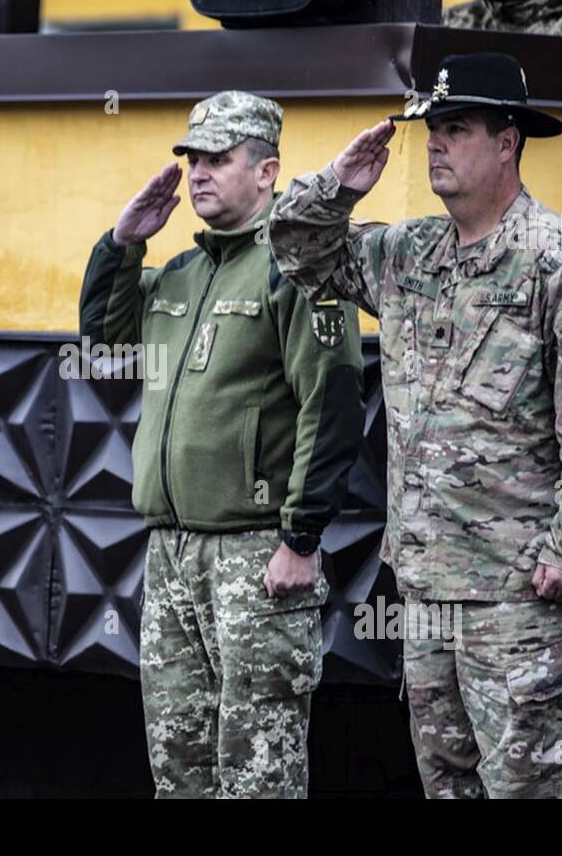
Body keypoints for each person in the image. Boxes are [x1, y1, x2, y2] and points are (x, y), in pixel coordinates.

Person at [268, 53, 562, 798]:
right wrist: (338, 185)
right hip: (430, 588)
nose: (435, 142)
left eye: (457, 128)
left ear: (507, 143)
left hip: (524, 594)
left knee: (527, 787)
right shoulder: (410, 254)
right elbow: (299, 253)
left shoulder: (560, 260)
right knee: (448, 785)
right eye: (432, 128)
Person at [78, 90, 364, 797]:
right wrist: (121, 244)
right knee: (180, 766)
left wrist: (299, 539)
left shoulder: (296, 269)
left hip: (256, 554)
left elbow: (331, 404)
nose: (199, 172)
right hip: (172, 549)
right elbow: (101, 342)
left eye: (219, 158)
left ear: (267, 172)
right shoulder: (181, 272)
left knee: (256, 766)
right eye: (193, 158)